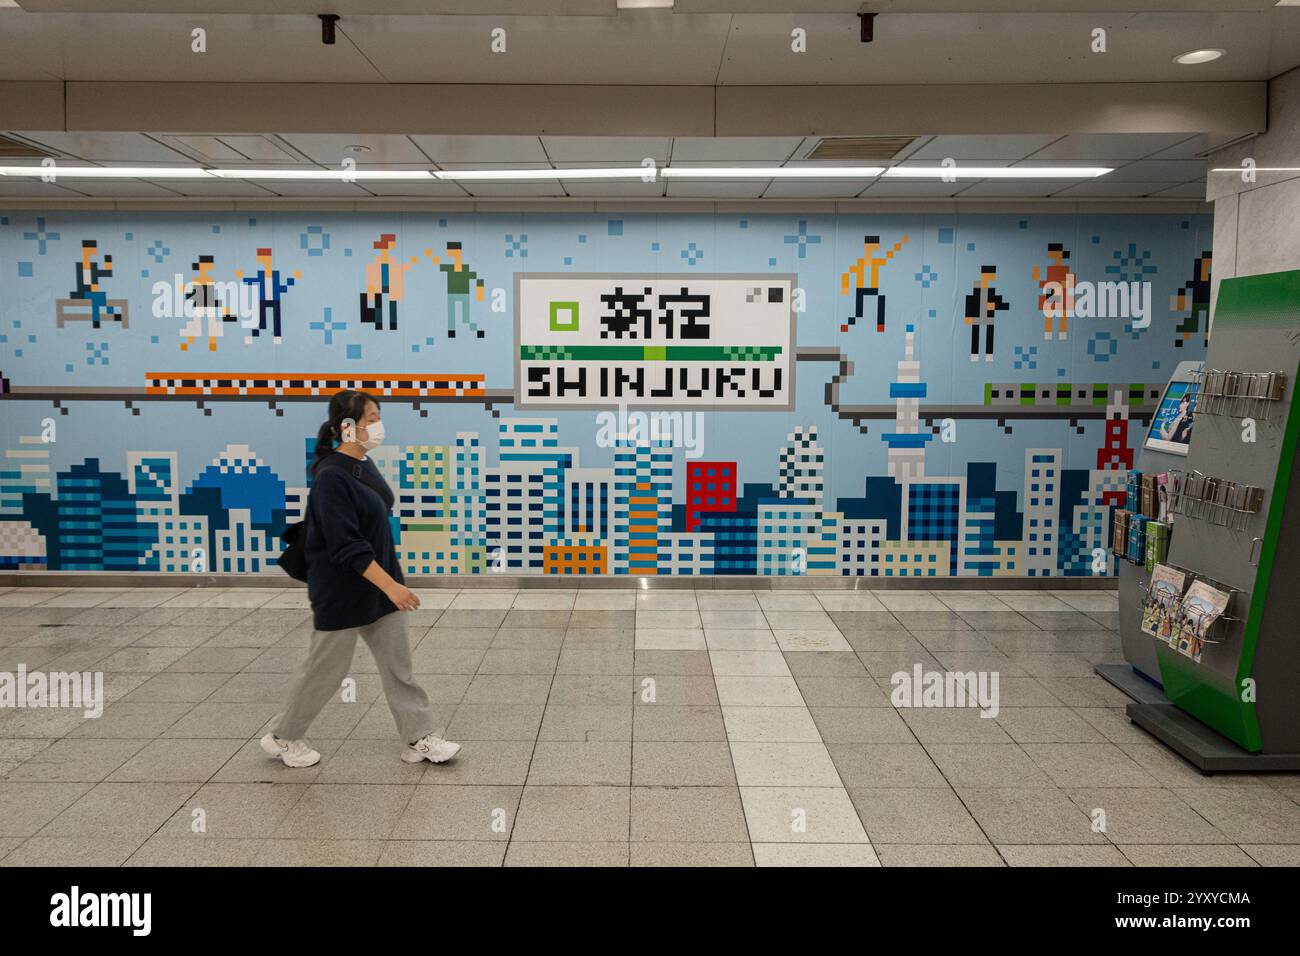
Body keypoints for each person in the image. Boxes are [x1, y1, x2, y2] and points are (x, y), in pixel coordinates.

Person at [261, 389, 461, 768]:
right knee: (325, 672)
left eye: (377, 416)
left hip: (380, 584)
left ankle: (417, 738)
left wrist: (388, 583)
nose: (378, 425)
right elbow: (346, 544)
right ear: (347, 427)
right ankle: (283, 737)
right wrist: (392, 586)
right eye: (371, 418)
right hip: (342, 590)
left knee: (399, 667)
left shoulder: (362, 464)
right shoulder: (330, 477)